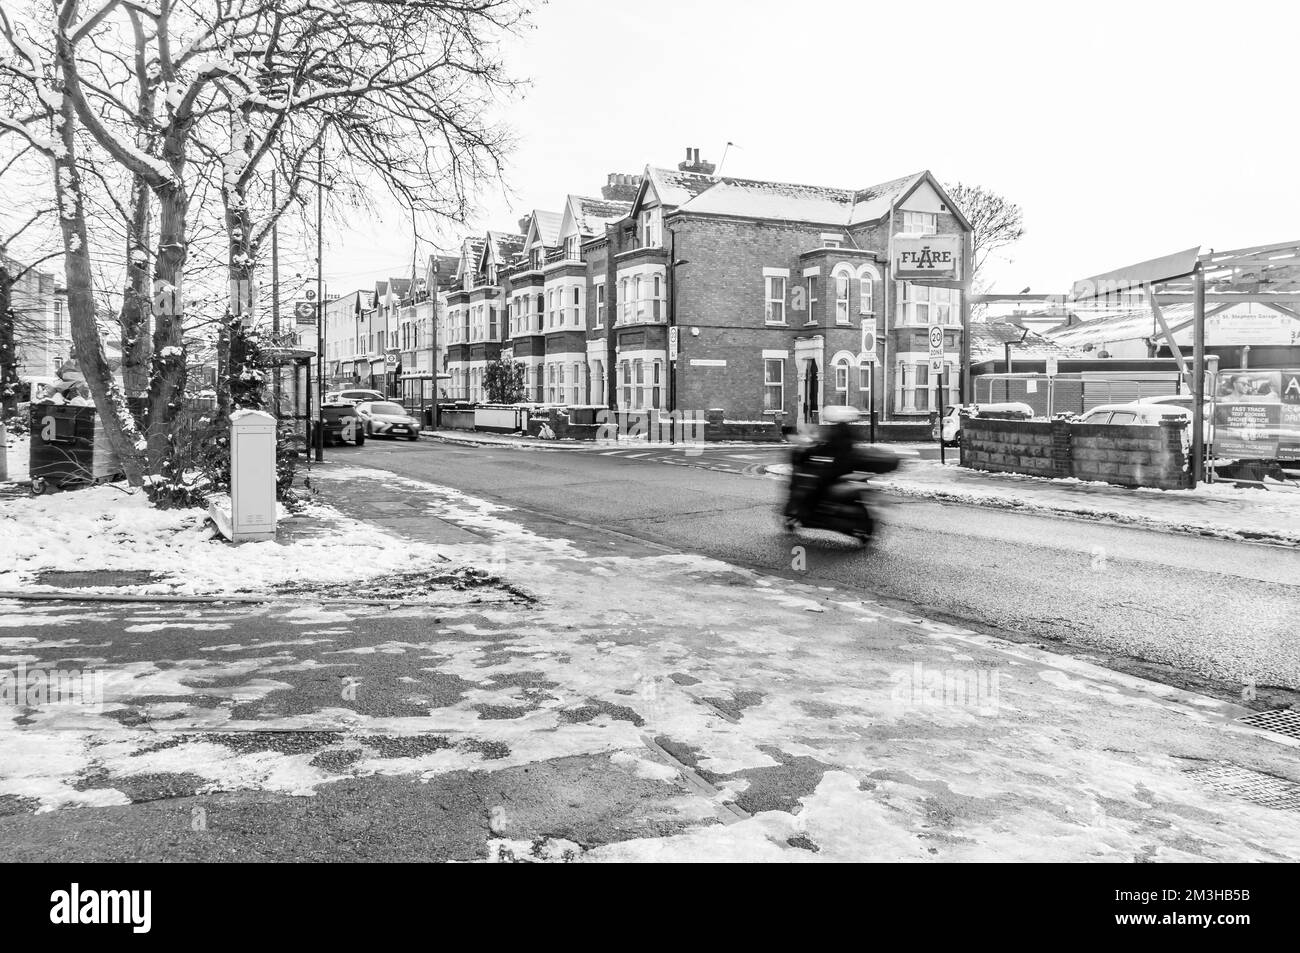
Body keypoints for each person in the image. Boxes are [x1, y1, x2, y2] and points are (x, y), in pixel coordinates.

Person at [787, 405, 861, 522]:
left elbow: (827, 448)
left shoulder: (839, 431)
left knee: (817, 481)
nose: (828, 421)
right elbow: (830, 447)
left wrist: (809, 452)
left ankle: (820, 509)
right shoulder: (845, 429)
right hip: (846, 466)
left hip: (840, 467)